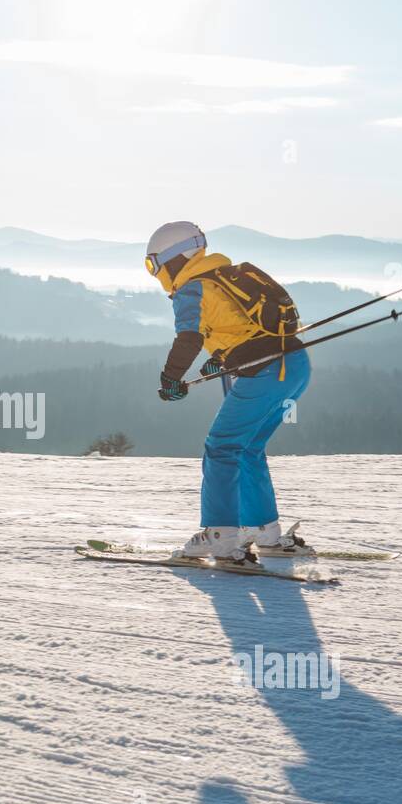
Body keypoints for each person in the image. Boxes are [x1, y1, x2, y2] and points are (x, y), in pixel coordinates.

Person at [146, 221, 312, 565]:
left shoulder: (192, 289)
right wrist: (221, 359)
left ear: (173, 259)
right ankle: (264, 533)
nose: (156, 272)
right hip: (294, 365)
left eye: (154, 264)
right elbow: (239, 329)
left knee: (221, 447)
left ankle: (219, 536)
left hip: (267, 372)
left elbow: (188, 338)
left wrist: (170, 379)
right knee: (248, 448)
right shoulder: (223, 276)